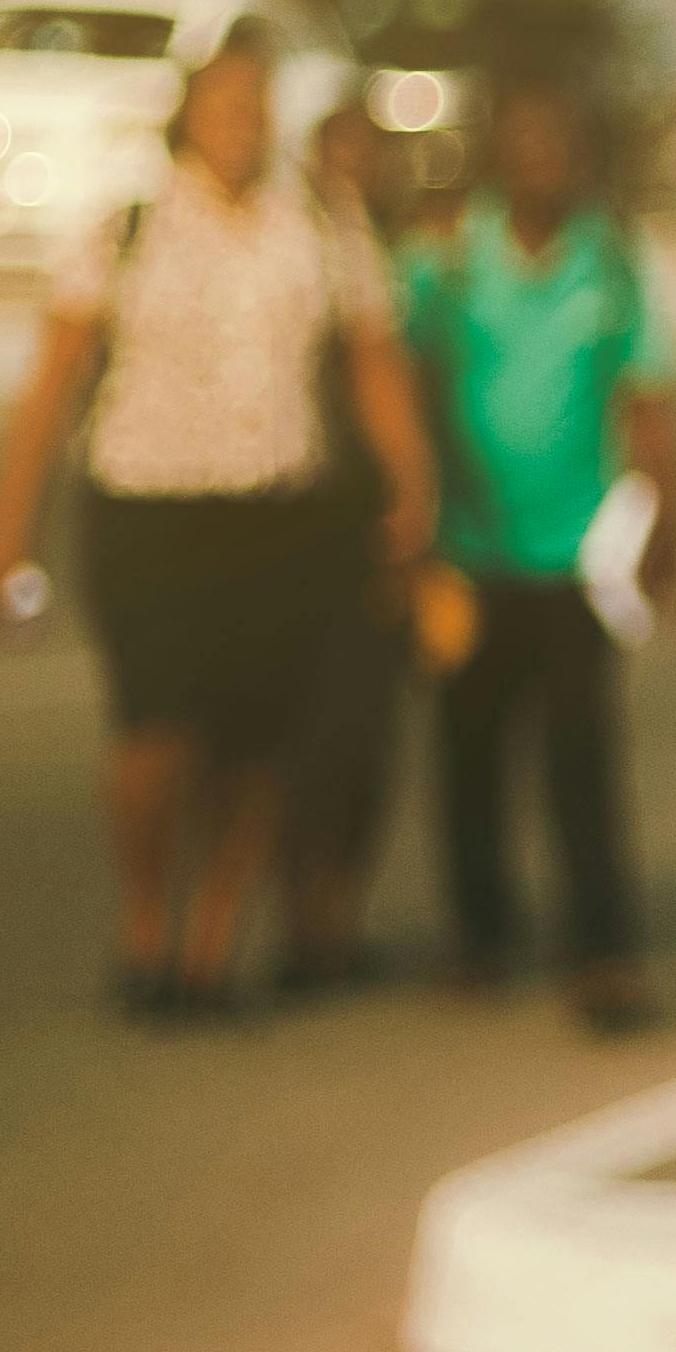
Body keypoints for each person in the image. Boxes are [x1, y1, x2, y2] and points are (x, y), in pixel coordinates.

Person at [0, 23, 434, 1017]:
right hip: (149, 513)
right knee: (158, 733)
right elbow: (52, 389)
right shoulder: (126, 225)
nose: (238, 126)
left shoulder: (318, 217)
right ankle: (147, 925)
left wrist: (409, 486)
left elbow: (373, 360)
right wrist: (8, 527)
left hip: (278, 516)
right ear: (186, 116)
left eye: (255, 108)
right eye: (221, 107)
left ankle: (213, 938)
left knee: (256, 742)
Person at [398, 74, 676, 1035]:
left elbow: (649, 396)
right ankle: (482, 933)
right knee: (470, 750)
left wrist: (674, 521)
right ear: (499, 156)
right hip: (467, 552)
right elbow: (400, 382)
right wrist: (408, 522)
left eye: (561, 146)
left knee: (581, 755)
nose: (544, 162)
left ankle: (603, 950)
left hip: (578, 554)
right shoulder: (444, 259)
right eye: (525, 145)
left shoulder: (611, 259)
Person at [277, 86, 423, 990]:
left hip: (383, 530)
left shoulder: (412, 261)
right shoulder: (289, 258)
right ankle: (297, 917)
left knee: (365, 735)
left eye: (372, 156)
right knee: (292, 740)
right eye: (339, 156)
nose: (356, 174)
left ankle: (336, 912)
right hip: (293, 533)